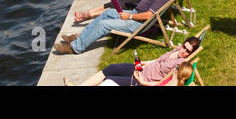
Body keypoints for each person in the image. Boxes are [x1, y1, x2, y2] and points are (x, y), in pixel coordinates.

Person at [54, 0, 176, 54]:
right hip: (136, 14)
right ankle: (79, 37)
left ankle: (75, 47)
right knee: (107, 12)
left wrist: (129, 16)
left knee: (103, 25)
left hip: (137, 23)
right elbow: (152, 0)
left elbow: (149, 16)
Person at [71, 35, 201, 86]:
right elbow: (158, 60)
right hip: (141, 69)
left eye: (187, 51)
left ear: (191, 53)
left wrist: (142, 82)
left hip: (142, 80)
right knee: (112, 68)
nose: (183, 51)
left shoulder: (180, 65)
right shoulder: (177, 50)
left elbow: (165, 84)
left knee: (109, 81)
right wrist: (144, 62)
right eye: (184, 46)